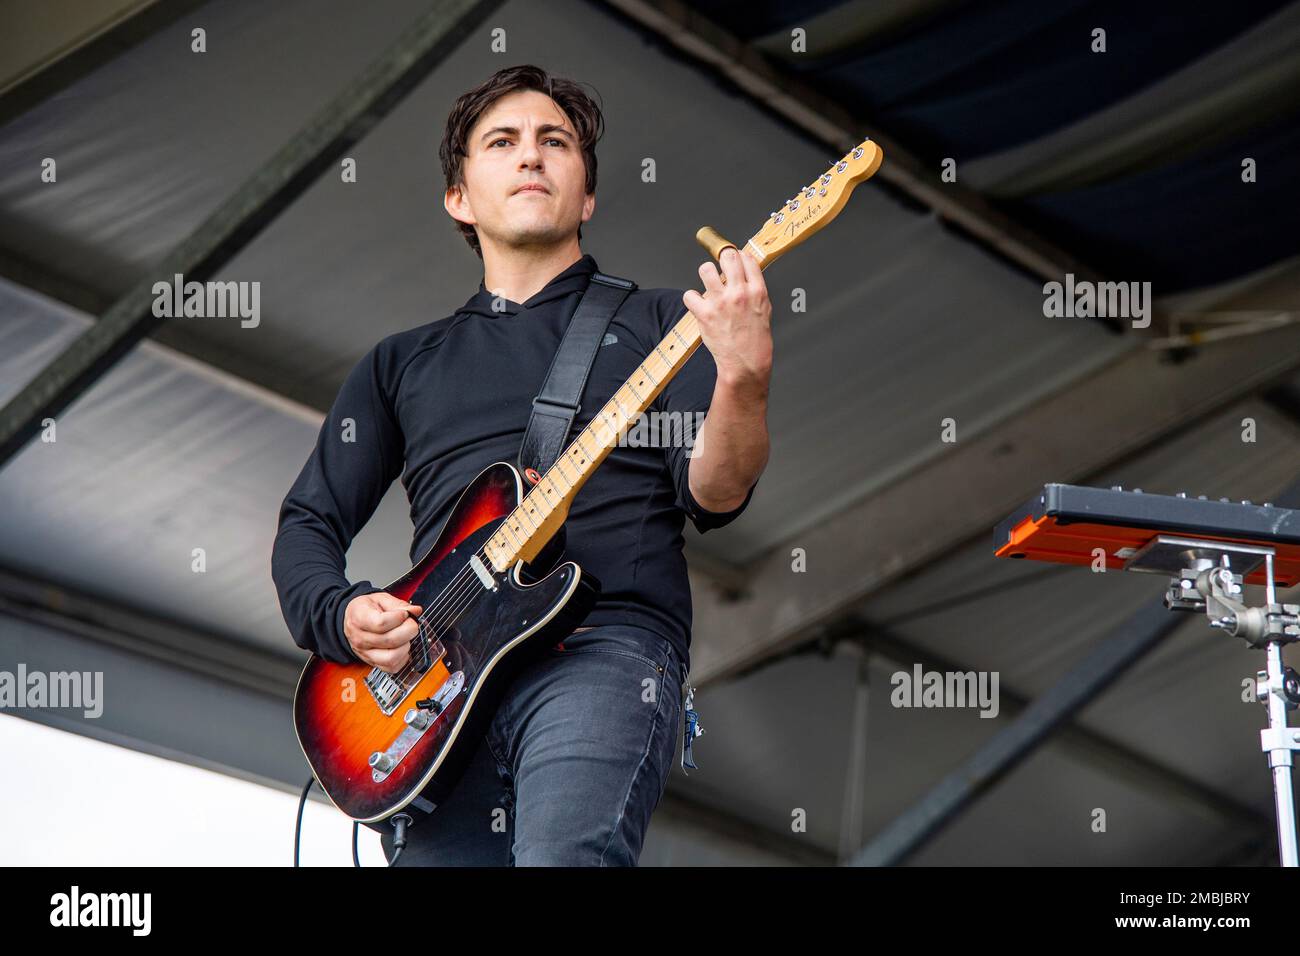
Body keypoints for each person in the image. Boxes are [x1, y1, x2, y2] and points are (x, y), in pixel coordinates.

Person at [271, 63, 771, 865]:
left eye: (556, 142)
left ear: (588, 193)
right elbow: (308, 521)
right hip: (439, 684)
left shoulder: (664, 323)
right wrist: (340, 615)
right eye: (502, 142)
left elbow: (717, 489)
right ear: (459, 197)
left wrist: (743, 379)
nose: (532, 156)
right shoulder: (401, 362)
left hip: (603, 650)